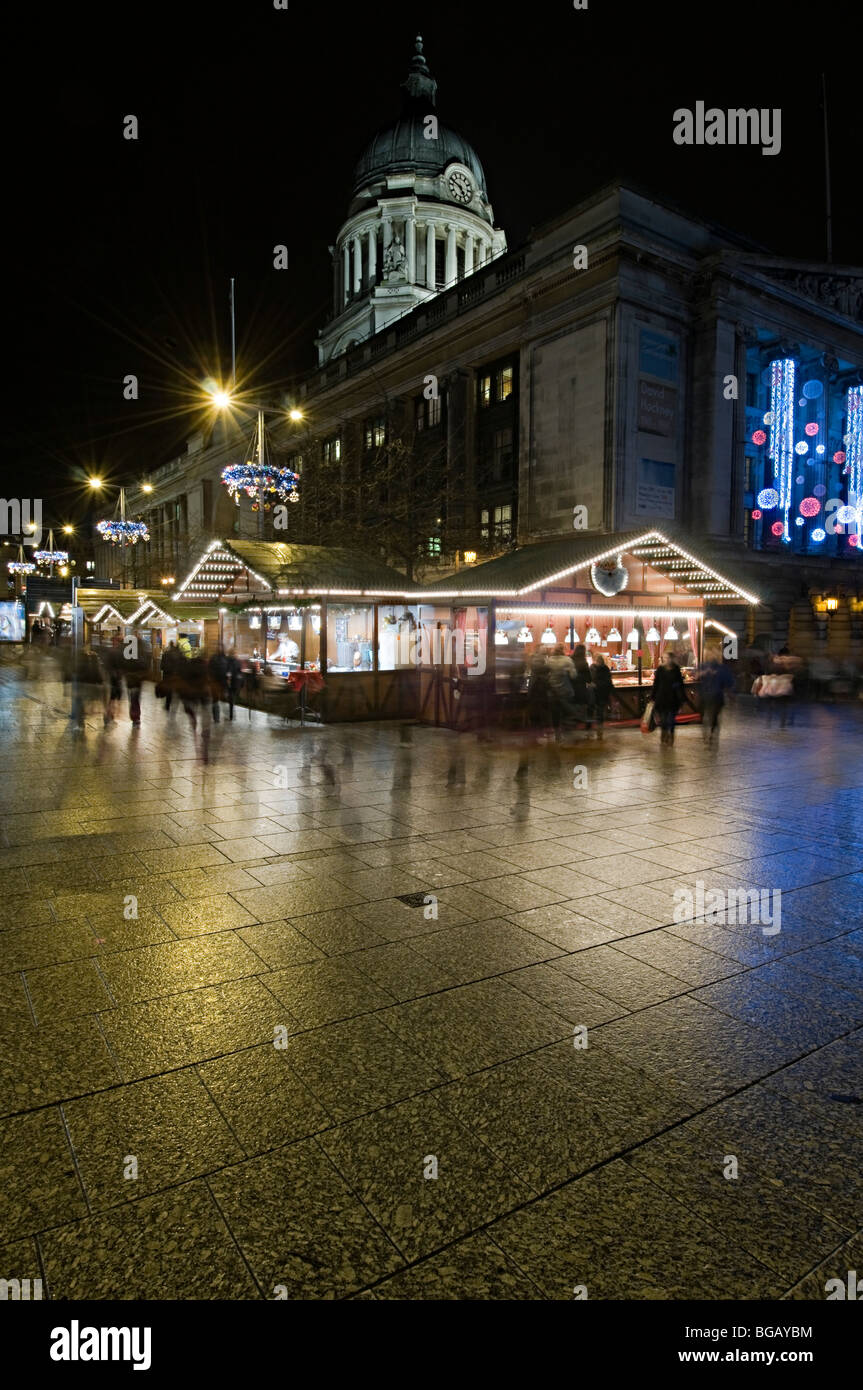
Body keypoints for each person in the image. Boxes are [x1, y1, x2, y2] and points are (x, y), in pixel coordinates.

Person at [698, 654, 735, 743]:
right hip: (707, 696)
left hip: (714, 696)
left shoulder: (722, 669)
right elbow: (696, 676)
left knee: (712, 716)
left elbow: (728, 683)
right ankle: (709, 732)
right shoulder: (703, 666)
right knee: (707, 716)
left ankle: (711, 732)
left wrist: (730, 695)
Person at [652, 650, 685, 745]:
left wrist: (682, 699)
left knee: (671, 719)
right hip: (662, 698)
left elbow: (680, 684)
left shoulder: (676, 669)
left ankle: (671, 733)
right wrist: (653, 696)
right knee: (663, 719)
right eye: (664, 658)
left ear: (672, 659)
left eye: (667, 658)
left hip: (673, 698)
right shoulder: (660, 670)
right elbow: (656, 683)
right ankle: (664, 733)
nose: (666, 660)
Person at [547, 644, 578, 741]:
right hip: (565, 691)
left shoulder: (549, 660)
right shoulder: (567, 660)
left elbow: (546, 674)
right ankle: (566, 729)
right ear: (563, 650)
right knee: (566, 710)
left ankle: (557, 733)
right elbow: (574, 676)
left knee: (555, 712)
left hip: (552, 691)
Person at [591, 655, 614, 739]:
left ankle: (597, 724)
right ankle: (600, 724)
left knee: (597, 708)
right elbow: (609, 681)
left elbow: (591, 679)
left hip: (596, 691)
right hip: (604, 692)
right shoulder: (606, 668)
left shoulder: (593, 668)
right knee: (601, 708)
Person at [208, 646, 229, 723]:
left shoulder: (213, 658)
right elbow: (228, 670)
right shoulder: (225, 659)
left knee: (215, 700)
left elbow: (209, 669)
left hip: (215, 682)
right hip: (222, 682)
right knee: (223, 699)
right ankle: (226, 716)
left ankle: (216, 718)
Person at [160, 641, 181, 713]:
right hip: (177, 675)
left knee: (169, 691)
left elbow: (161, 667)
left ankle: (167, 706)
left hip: (168, 675)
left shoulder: (165, 654)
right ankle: (175, 707)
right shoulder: (180, 654)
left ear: (169, 645)